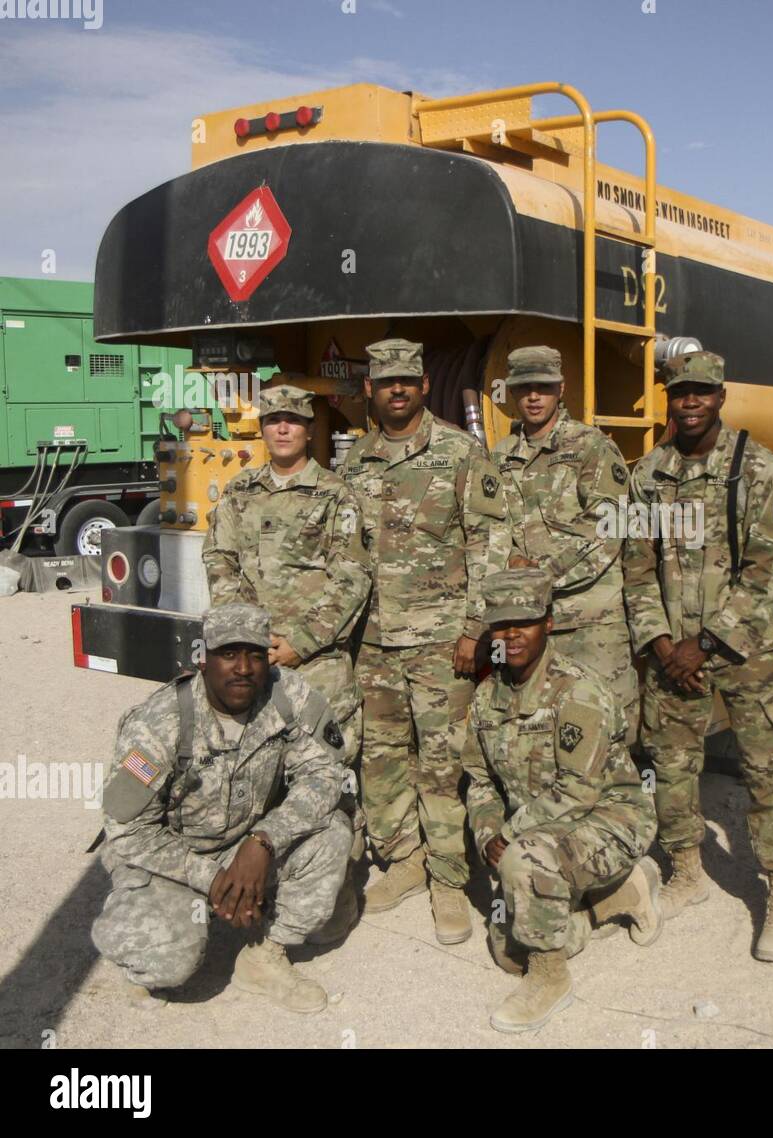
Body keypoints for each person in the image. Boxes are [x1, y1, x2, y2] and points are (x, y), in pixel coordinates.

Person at [623, 350, 773, 962]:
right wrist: (660, 642)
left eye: (702, 392)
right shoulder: (647, 475)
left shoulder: (758, 470)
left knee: (766, 774)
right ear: (669, 400)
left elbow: (767, 573)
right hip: (671, 653)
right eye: (680, 393)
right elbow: (635, 568)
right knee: (672, 769)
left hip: (741, 655)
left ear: (721, 396)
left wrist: (702, 645)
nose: (691, 402)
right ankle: (687, 873)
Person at [91, 603, 351, 1013]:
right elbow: (126, 829)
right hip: (172, 857)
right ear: (203, 659)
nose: (243, 668)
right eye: (228, 654)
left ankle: (265, 956)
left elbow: (324, 775)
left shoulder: (289, 696)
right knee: (166, 964)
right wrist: (213, 878)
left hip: (247, 841)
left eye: (254, 654)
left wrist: (264, 841)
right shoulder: (159, 722)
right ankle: (147, 921)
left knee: (333, 830)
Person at [341, 338, 511, 944]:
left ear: (419, 384)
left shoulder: (459, 452)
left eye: (407, 380)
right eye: (385, 381)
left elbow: (489, 542)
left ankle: (447, 881)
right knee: (382, 763)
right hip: (373, 644)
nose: (397, 389)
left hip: (443, 644)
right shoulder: (355, 462)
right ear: (371, 389)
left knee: (442, 769)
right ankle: (405, 859)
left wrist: (474, 630)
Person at [202, 382, 371, 943]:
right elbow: (219, 557)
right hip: (255, 667)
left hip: (316, 664)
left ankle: (337, 894)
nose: (282, 429)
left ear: (308, 429)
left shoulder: (334, 495)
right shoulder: (241, 490)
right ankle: (270, 891)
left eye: (293, 422)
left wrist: (299, 639)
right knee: (266, 778)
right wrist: (241, 632)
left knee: (331, 779)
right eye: (273, 419)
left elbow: (352, 578)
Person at [462, 568, 661, 1033]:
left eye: (524, 623)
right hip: (542, 834)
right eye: (501, 625)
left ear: (548, 623)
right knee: (506, 950)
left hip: (609, 821)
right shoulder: (487, 697)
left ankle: (550, 981)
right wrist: (489, 830)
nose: (511, 636)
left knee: (525, 866)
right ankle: (612, 898)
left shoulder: (579, 690)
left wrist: (509, 836)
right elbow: (479, 779)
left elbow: (578, 791)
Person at [490, 346, 639, 734]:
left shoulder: (592, 447)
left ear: (561, 388)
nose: (534, 397)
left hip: (589, 623)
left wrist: (539, 574)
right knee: (534, 733)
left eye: (544, 387)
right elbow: (487, 527)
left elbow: (609, 529)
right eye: (525, 389)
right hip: (527, 626)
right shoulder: (500, 455)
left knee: (607, 731)